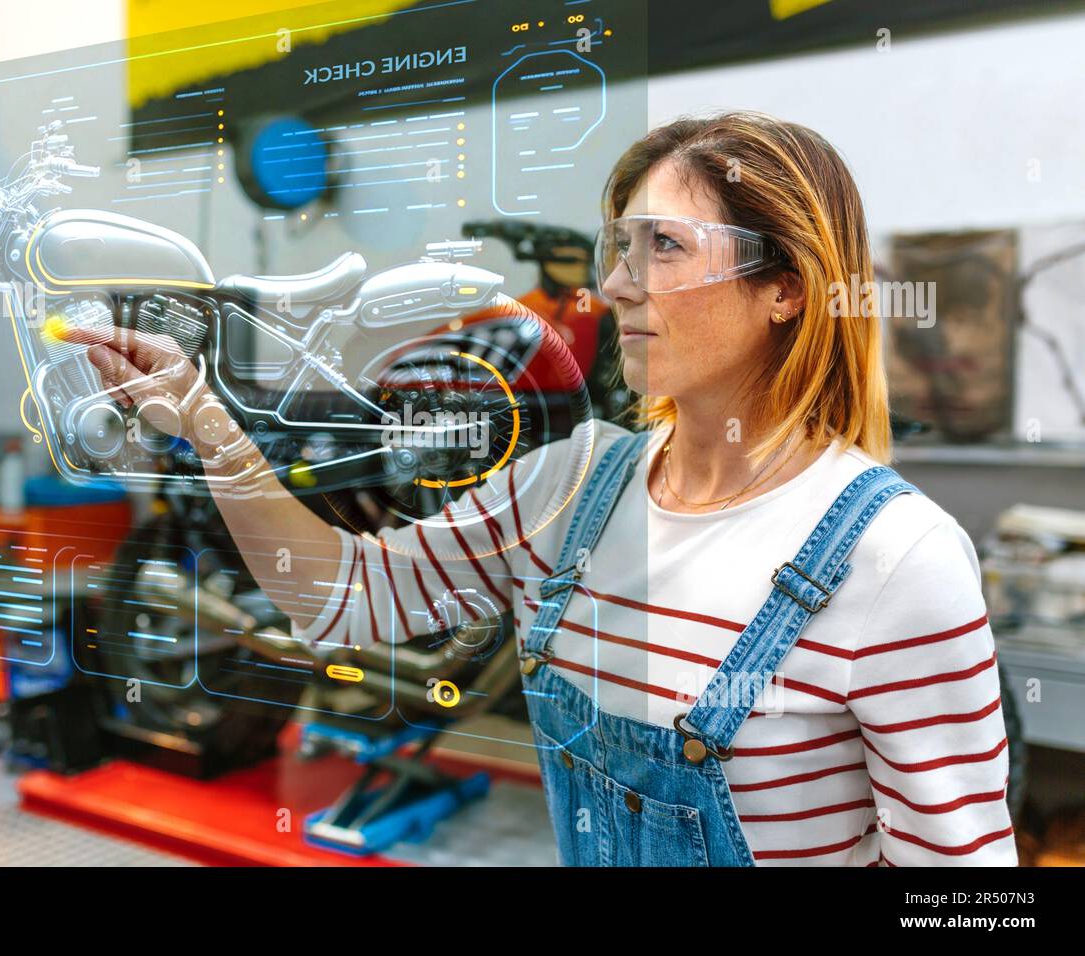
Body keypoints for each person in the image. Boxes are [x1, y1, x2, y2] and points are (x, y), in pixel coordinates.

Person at [66, 111, 1016, 867]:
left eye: (664, 248)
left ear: (788, 286)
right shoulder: (576, 485)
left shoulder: (893, 557)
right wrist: (203, 421)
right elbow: (343, 598)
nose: (615, 285)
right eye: (620, 249)